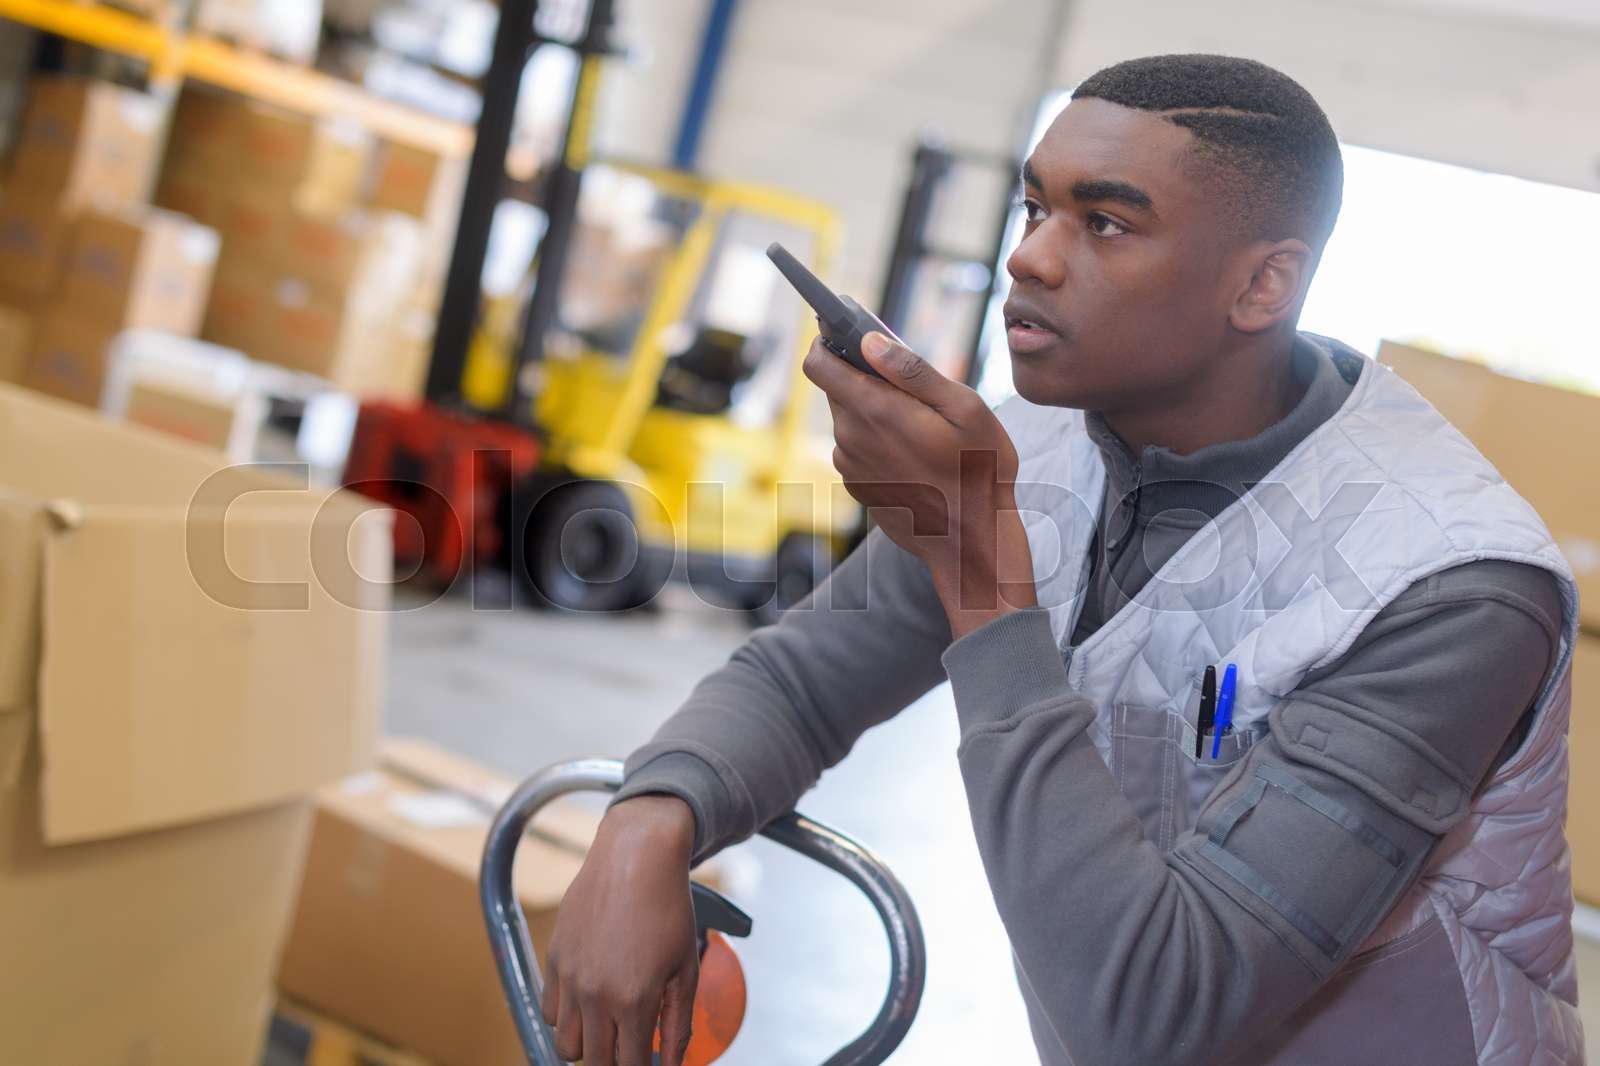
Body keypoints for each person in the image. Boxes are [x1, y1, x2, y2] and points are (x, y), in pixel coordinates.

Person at [541, 54, 1582, 1066]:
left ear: (1261, 285)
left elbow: (1152, 1017)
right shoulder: (1035, 448)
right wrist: (652, 817)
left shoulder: (1451, 585)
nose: (1029, 257)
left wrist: (976, 571)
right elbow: (802, 680)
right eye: (1035, 208)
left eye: (1106, 222)